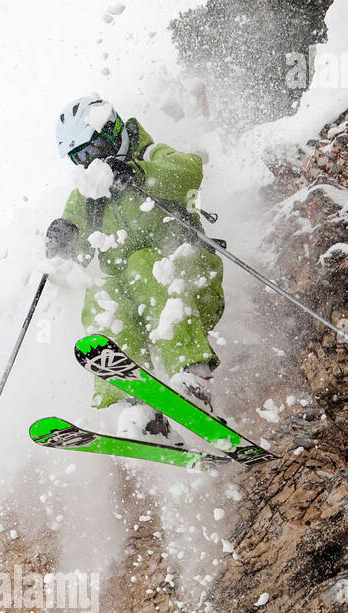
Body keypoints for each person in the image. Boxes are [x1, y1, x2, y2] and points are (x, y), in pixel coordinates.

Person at [46, 94, 224, 437]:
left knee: (142, 263)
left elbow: (189, 173)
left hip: (193, 283)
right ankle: (139, 408)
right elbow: (69, 273)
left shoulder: (149, 156)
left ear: (112, 133)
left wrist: (140, 174)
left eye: (92, 150)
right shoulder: (86, 199)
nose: (88, 162)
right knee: (101, 292)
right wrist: (59, 247)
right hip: (142, 309)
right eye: (78, 157)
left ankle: (193, 378)